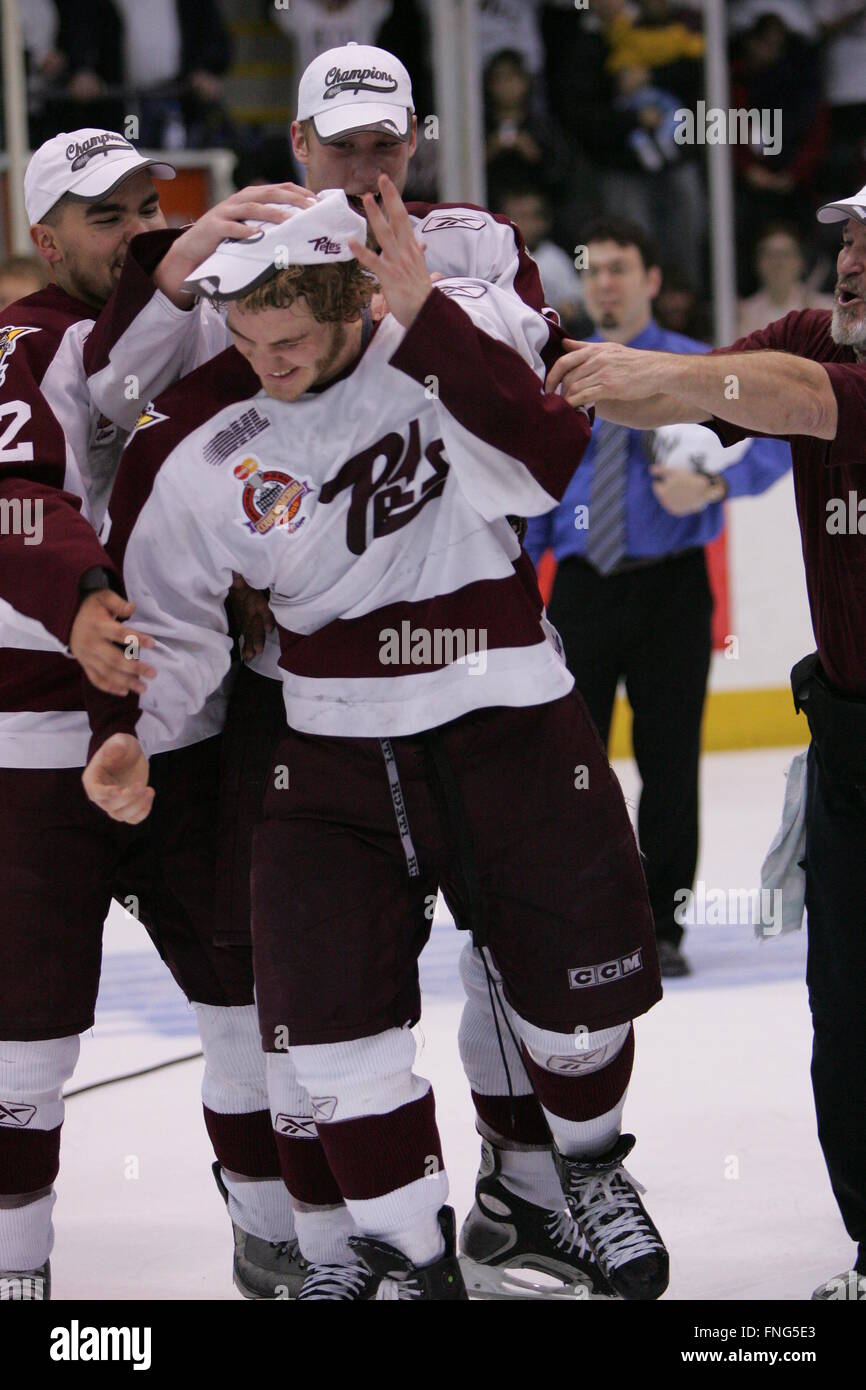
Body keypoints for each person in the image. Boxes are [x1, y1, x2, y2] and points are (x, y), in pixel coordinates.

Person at [89, 41, 629, 1300]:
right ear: (296, 143)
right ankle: (334, 1246)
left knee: (535, 961)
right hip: (284, 701)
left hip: (481, 677)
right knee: (296, 1007)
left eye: (386, 143)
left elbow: (541, 440)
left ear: (414, 141)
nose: (366, 167)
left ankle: (537, 1188)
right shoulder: (213, 273)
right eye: (342, 146)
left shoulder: (476, 252)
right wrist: (168, 285)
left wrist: (424, 308)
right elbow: (122, 413)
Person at [0, 130, 313, 1301]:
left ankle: (271, 1231)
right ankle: (19, 1274)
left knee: (245, 999)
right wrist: (79, 596)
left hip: (194, 726)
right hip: (35, 739)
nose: (133, 224)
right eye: (101, 213)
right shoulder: (22, 339)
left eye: (145, 201)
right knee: (25, 1036)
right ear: (44, 238)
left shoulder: (219, 314)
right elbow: (14, 499)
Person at [543, 179, 866, 1300]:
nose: (851, 258)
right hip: (845, 728)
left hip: (692, 608)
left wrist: (665, 385)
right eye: (848, 237)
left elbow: (781, 398)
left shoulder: (823, 369)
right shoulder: (812, 332)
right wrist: (544, 358)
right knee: (847, 1005)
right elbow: (735, 388)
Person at [524, 217, 791, 978]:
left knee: (670, 762)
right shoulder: (562, 368)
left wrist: (713, 482)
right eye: (595, 270)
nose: (604, 282)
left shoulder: (697, 366)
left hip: (672, 588)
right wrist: (526, 579)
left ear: (649, 280)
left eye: (620, 269)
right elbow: (541, 478)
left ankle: (664, 923)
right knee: (573, 766)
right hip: (580, 589)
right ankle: (583, 915)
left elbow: (774, 441)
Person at [739, 222, 834, 336]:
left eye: (785, 255)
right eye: (771, 255)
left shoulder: (825, 308)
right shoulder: (744, 314)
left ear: (800, 261)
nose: (779, 263)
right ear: (759, 262)